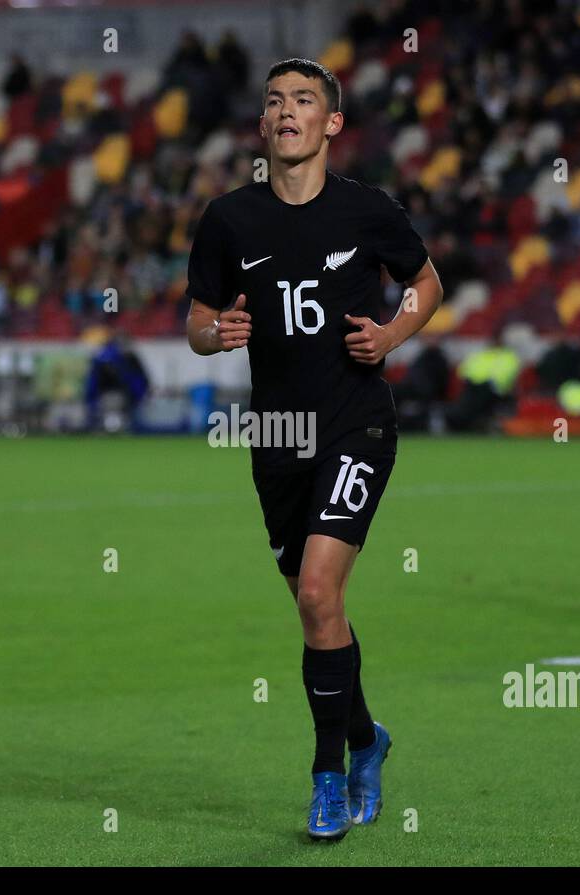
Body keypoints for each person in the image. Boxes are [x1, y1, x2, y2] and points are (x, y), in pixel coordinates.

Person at [185, 58, 443, 840]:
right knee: (317, 608)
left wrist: (392, 333)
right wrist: (215, 335)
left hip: (357, 422)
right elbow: (196, 324)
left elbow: (428, 282)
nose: (286, 111)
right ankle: (369, 739)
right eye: (274, 101)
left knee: (316, 593)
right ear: (262, 126)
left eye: (303, 100)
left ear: (332, 124)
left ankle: (327, 775)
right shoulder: (229, 219)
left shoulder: (368, 210)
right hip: (277, 436)